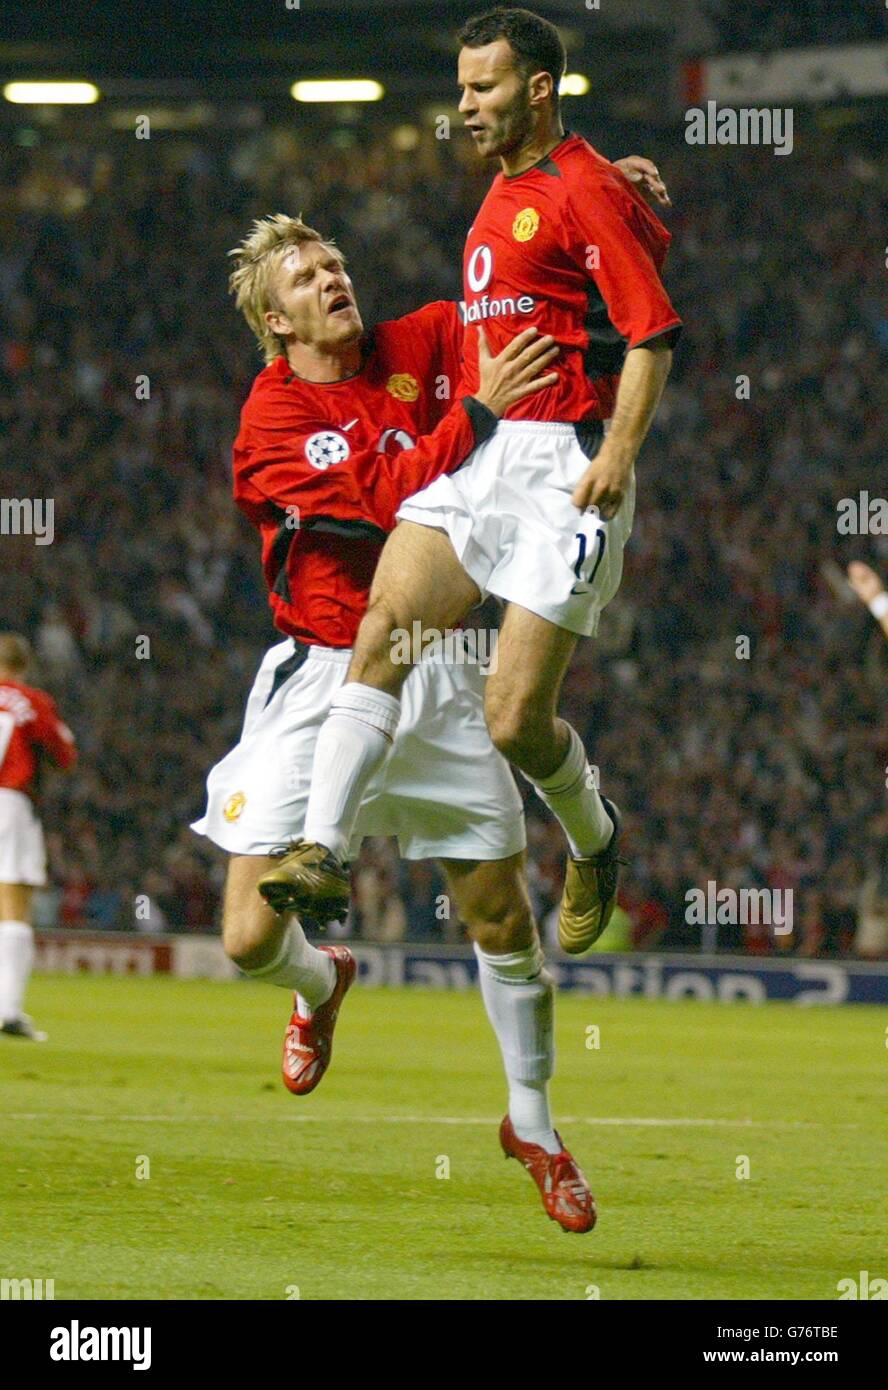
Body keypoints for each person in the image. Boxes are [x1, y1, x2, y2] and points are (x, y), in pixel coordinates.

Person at [196, 147, 670, 1232]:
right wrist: (473, 424)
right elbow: (386, 496)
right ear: (279, 322)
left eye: (335, 263)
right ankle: (324, 985)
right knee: (244, 942)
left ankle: (535, 1124)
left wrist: (609, 214)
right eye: (308, 278)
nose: (334, 279)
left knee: (500, 912)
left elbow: (523, 315)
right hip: (325, 675)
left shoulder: (420, 339)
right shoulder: (269, 421)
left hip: (442, 669)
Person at [264, 6, 682, 976]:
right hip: (482, 454)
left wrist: (618, 450)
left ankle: (592, 833)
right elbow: (569, 219)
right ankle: (322, 851)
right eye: (460, 88)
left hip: (563, 468)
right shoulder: (517, 190)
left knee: (512, 720)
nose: (463, 107)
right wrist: (610, 183)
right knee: (383, 631)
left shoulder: (580, 188)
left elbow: (653, 332)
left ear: (538, 88)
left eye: (482, 88)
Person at [0, 634, 77, 1040]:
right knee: (13, 909)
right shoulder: (30, 701)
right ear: (24, 664)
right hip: (9, 804)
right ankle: (8, 1012)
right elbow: (64, 753)